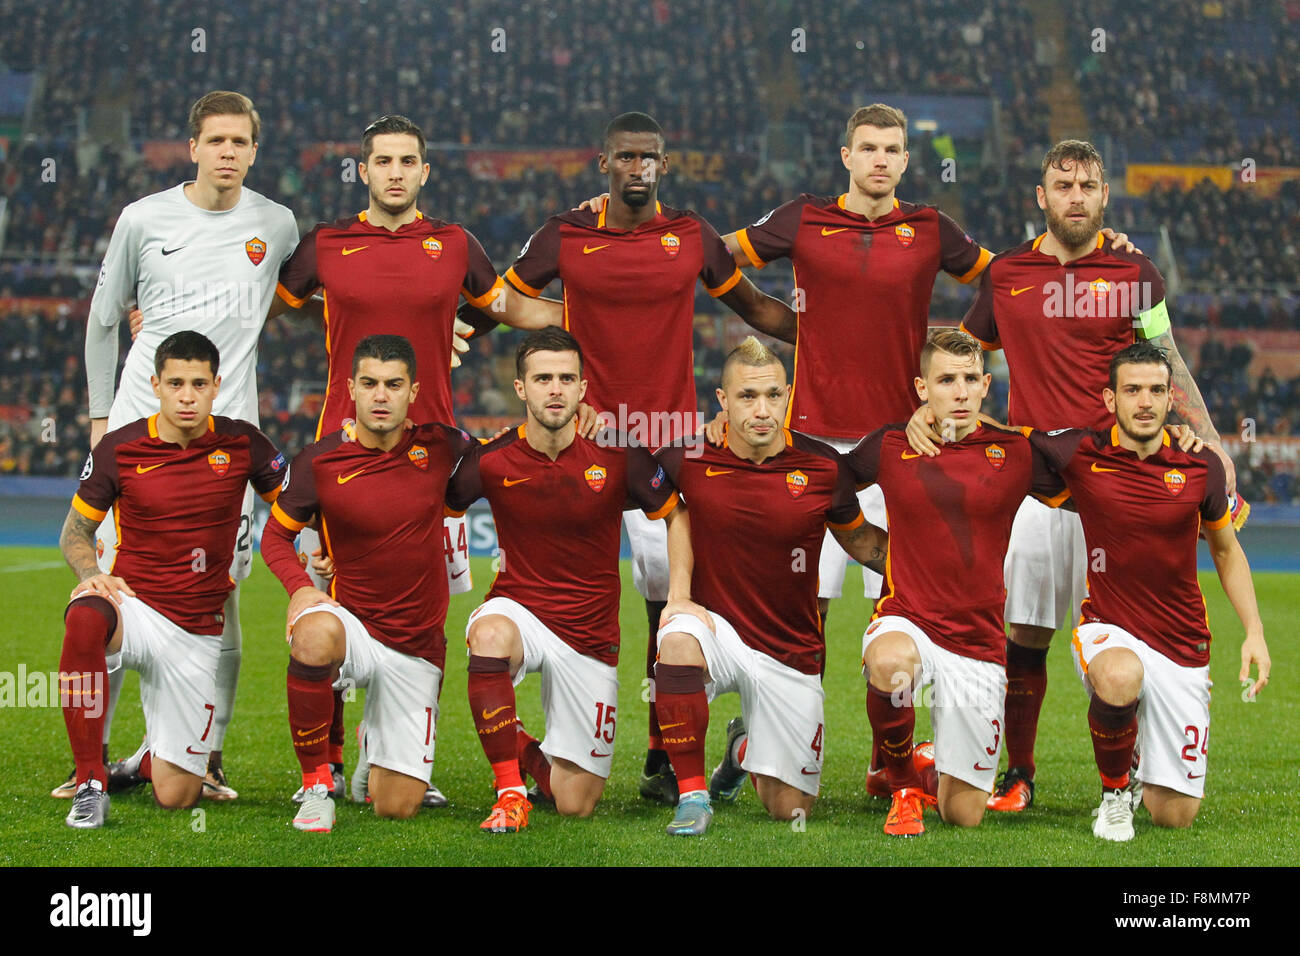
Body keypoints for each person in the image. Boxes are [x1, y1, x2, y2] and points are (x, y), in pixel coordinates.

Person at [476, 111, 800, 807]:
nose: (638, 169)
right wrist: (458, 322)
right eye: (626, 157)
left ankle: (665, 753)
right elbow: (504, 298)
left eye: (649, 157)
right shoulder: (566, 234)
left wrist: (832, 334)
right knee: (558, 590)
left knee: (672, 602)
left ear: (663, 163)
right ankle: (540, 743)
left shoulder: (689, 236)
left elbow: (755, 308)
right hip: (586, 440)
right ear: (604, 163)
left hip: (673, 444)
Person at [909, 139, 1235, 812]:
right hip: (1037, 487)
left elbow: (1164, 356)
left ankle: (1133, 770)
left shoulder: (1136, 273)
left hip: (1124, 491)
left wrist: (1208, 438)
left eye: (1088, 184)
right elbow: (967, 351)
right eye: (1064, 184)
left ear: (1105, 196)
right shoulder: (1009, 275)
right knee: (1025, 632)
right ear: (1042, 195)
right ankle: (1020, 776)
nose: (1076, 195)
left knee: (1132, 636)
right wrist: (923, 409)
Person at [274, 114, 558, 807]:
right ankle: (330, 766)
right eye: (382, 161)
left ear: (425, 171)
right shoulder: (326, 245)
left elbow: (510, 309)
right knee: (336, 597)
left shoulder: (455, 244)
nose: (395, 171)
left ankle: (398, 751)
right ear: (362, 171)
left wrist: (596, 311)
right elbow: (275, 307)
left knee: (423, 608)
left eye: (408, 160)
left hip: (436, 457)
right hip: (345, 455)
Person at [66, 90, 300, 802]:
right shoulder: (143, 219)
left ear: (255, 151)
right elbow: (105, 320)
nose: (228, 153)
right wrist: (102, 420)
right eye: (215, 141)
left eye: (240, 142)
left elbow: (326, 295)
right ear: (192, 147)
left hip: (230, 449)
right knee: (104, 584)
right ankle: (94, 761)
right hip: (141, 428)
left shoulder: (278, 224)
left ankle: (208, 750)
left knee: (219, 597)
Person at [444, 328, 689, 832]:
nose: (554, 389)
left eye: (565, 378)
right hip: (519, 611)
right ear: (520, 389)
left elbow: (677, 514)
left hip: (590, 635)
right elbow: (436, 510)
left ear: (582, 389)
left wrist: (679, 596)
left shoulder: (619, 457)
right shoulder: (490, 460)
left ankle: (534, 761)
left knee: (574, 801)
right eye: (542, 378)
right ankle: (510, 791)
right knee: (489, 636)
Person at [1024, 343, 1270, 841]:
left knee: (1173, 814)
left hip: (1182, 643)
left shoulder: (1201, 467)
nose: (1145, 401)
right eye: (1132, 390)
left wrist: (1255, 632)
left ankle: (1137, 764)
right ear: (1109, 399)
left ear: (1168, 400)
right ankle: (1114, 796)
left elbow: (1225, 551)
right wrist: (936, 418)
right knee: (1118, 674)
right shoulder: (1079, 452)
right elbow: (1002, 439)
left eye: (1156, 390)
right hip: (1108, 629)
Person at [652, 336, 887, 835]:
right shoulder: (686, 459)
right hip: (715, 630)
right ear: (722, 401)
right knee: (674, 640)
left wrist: (933, 573)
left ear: (788, 396)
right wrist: (678, 594)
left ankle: (741, 749)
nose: (762, 410)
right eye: (746, 397)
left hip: (791, 649)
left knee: (791, 809)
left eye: (773, 396)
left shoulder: (824, 468)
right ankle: (693, 796)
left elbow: (863, 542)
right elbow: (616, 478)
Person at [57, 331, 285, 828]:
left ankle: (145, 762)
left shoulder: (243, 442)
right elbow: (75, 532)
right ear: (156, 384)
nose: (187, 395)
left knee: (177, 796)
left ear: (216, 385)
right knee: (84, 615)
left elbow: (296, 506)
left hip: (198, 631)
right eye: (176, 383)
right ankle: (90, 780)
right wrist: (93, 573)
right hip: (135, 608)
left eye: (199, 383)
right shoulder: (121, 447)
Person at [847, 330, 1070, 835]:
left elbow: (1094, 481)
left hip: (979, 643)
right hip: (910, 620)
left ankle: (924, 761)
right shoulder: (890, 444)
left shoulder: (1016, 452)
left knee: (963, 816)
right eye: (947, 380)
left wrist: (1181, 448)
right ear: (921, 387)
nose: (961, 391)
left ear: (987, 384)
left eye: (971, 379)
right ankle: (901, 784)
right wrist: (867, 544)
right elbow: (826, 481)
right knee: (890, 664)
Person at [261, 335, 473, 833]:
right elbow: (274, 538)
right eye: (371, 384)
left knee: (395, 806)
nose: (381, 396)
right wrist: (302, 587)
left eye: (394, 385)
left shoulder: (445, 446)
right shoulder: (318, 462)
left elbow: (511, 454)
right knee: (313, 634)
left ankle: (371, 749)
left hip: (418, 648)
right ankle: (317, 786)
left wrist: (581, 418)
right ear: (351, 388)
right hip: (353, 628)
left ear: (413, 391)